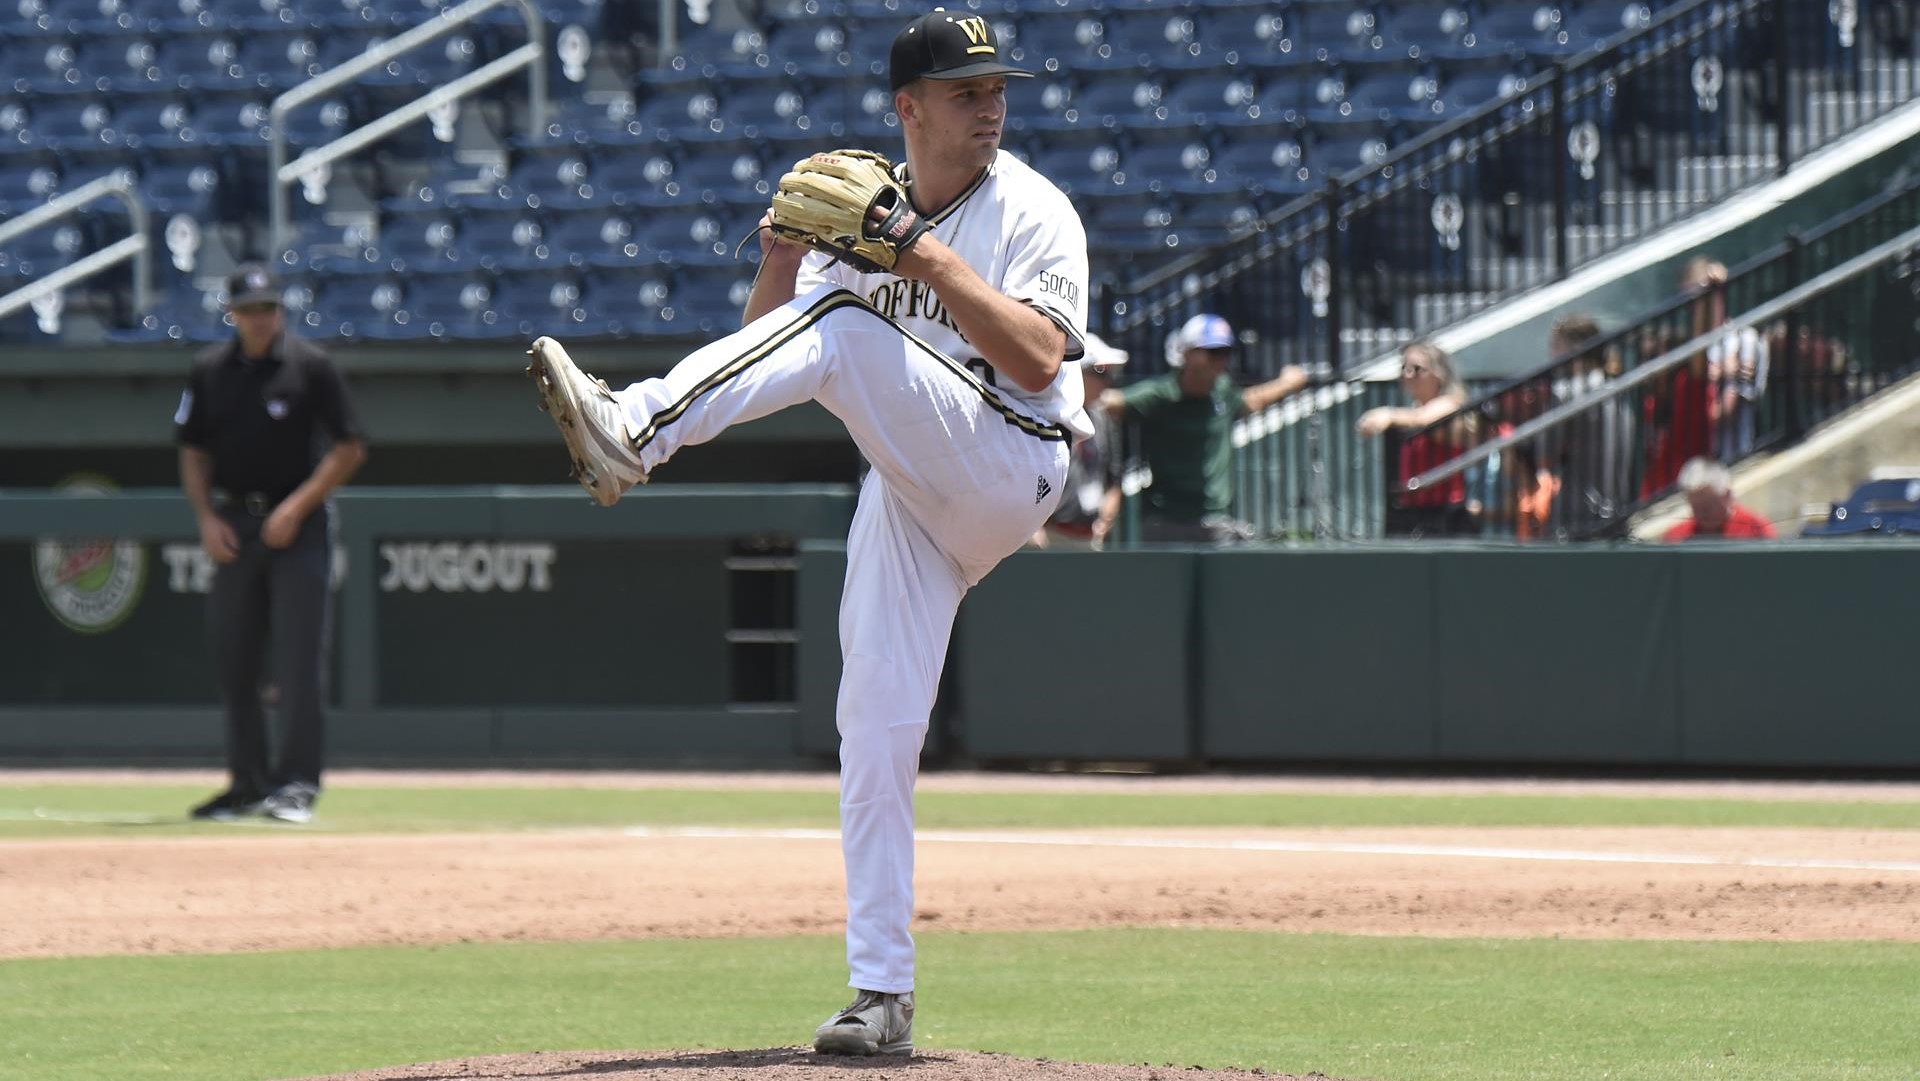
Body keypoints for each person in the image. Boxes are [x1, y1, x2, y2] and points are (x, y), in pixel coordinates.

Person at [521, 10, 1084, 1058]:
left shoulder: (1032, 208)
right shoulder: (868, 216)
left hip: (1014, 459)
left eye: (997, 89)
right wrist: (782, 260)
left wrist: (916, 253)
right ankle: (883, 994)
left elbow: (1040, 360)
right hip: (913, 490)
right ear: (909, 108)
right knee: (872, 724)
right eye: (966, 92)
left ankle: (630, 428)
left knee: (846, 324)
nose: (991, 107)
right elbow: (769, 353)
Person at [175, 263, 367, 824]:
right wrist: (206, 518)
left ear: (280, 310)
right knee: (235, 658)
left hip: (297, 526)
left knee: (298, 660)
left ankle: (296, 785)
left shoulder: (311, 366)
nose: (259, 318)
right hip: (235, 522)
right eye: (248, 309)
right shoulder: (209, 370)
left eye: (268, 308)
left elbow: (350, 447)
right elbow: (192, 449)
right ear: (231, 313)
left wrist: (297, 507)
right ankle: (246, 784)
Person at [1096, 313, 1308, 544]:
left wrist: (1287, 383)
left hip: (1214, 519)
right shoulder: (1161, 394)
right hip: (1166, 519)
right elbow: (1110, 402)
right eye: (1212, 352)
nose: (1220, 360)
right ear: (1187, 353)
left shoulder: (1223, 391)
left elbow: (1252, 400)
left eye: (1225, 352)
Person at [1357, 340, 1474, 537]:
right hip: (1414, 512)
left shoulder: (1450, 404)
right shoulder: (1414, 410)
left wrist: (1388, 414)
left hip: (1446, 514)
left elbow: (1423, 419)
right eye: (1404, 368)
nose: (1408, 374)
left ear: (1439, 373)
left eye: (1417, 369)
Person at [1032, 332, 1126, 549]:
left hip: (1089, 535)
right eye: (1100, 371)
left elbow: (1114, 477)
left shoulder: (1102, 417)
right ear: (1076, 372)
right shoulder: (1047, 413)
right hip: (1048, 534)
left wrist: (1105, 518)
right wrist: (1032, 526)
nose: (1107, 381)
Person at [1662, 457, 1776, 540]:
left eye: (1707, 506)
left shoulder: (1755, 529)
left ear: (1727, 495)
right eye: (1696, 507)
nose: (1702, 513)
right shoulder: (1678, 537)